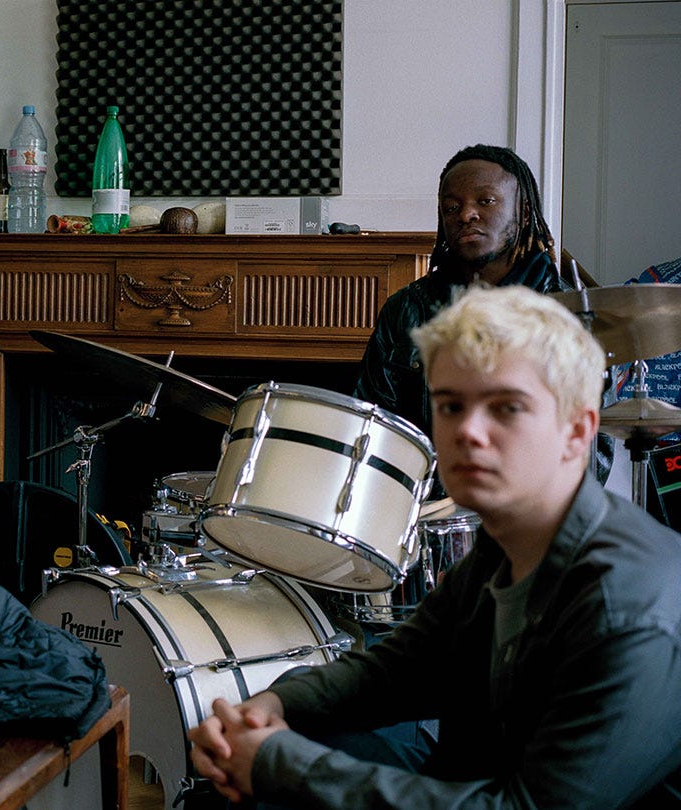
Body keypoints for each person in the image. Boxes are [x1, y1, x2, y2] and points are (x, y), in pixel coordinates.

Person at [187, 285, 681, 807]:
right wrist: (273, 705)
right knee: (266, 749)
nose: (468, 431)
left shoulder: (630, 607)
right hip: (480, 782)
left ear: (578, 432)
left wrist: (276, 762)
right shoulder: (506, 542)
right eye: (450, 405)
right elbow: (394, 671)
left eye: (506, 407)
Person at [355, 144, 573, 439]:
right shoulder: (406, 310)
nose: (466, 214)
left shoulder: (570, 312)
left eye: (486, 201)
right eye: (452, 207)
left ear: (523, 213)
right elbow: (371, 427)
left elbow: (590, 450)